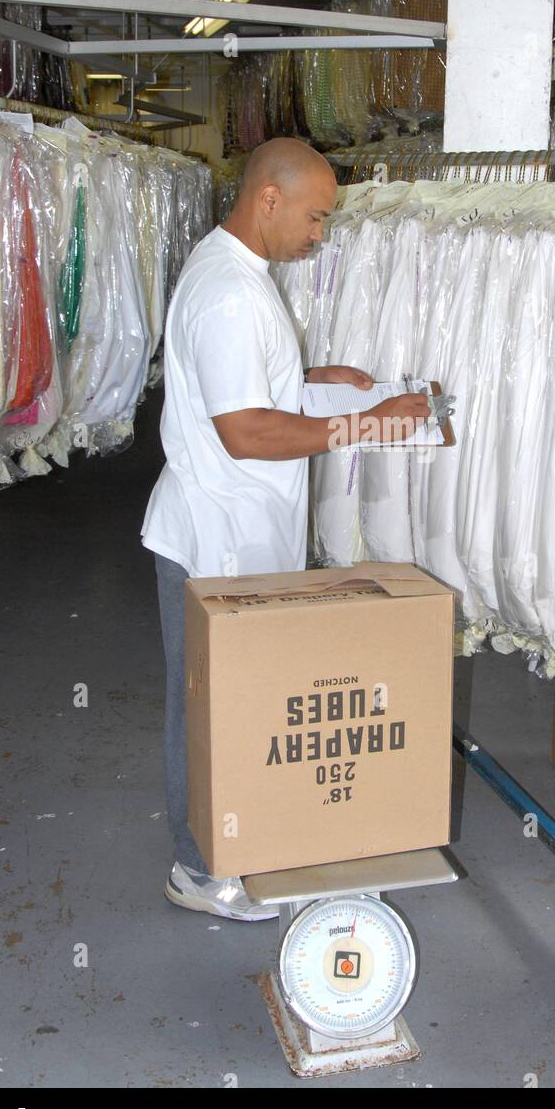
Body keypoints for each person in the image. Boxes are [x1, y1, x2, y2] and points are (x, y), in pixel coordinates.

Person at [141, 137, 431, 920]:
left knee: (230, 703)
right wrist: (364, 425)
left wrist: (311, 382)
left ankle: (239, 847)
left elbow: (241, 391)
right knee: (203, 708)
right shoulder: (230, 292)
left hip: (235, 532)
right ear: (269, 198)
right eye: (315, 216)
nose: (320, 234)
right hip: (216, 537)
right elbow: (245, 432)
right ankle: (200, 872)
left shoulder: (234, 275)